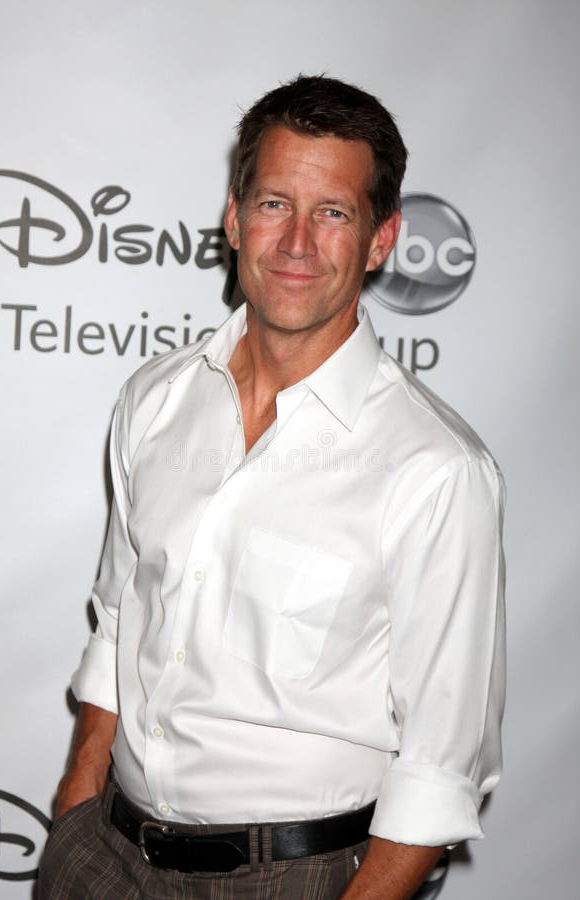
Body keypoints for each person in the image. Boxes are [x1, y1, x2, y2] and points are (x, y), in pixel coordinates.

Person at [39, 75, 505, 899]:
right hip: (104, 856)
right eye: (274, 204)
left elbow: (441, 766)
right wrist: (77, 804)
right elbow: (119, 620)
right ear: (234, 217)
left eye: (333, 213)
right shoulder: (155, 400)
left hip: (296, 877)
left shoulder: (436, 469)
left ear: (381, 239)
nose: (295, 242)